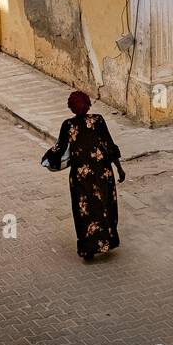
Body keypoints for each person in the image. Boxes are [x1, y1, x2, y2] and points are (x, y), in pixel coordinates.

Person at [43, 91, 126, 260]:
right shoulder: (98, 120)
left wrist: (47, 159)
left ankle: (88, 249)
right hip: (103, 174)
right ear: (88, 105)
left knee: (84, 211)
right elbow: (110, 146)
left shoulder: (68, 125)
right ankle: (106, 242)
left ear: (71, 108)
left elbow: (59, 149)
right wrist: (119, 168)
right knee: (104, 207)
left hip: (81, 178)